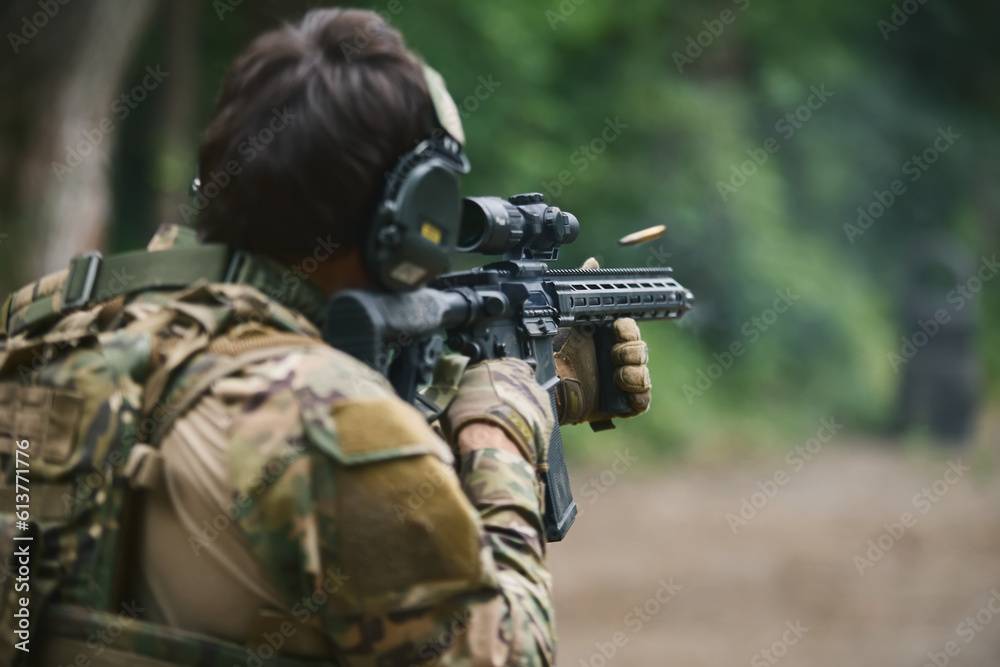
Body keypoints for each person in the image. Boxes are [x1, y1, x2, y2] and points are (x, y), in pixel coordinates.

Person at [0, 8, 652, 666]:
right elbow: (507, 655)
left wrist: (511, 385)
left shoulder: (45, 333)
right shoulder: (331, 427)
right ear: (410, 215)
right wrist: (500, 436)